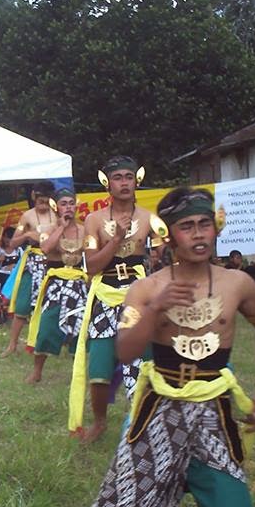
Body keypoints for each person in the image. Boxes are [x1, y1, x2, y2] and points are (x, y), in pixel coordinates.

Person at [30, 186, 255, 507]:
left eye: (205, 224)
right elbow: (125, 350)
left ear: (215, 229)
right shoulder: (147, 288)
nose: (198, 234)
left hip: (214, 413)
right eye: (188, 227)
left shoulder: (238, 284)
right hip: (158, 410)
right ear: (170, 236)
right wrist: (155, 310)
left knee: (231, 506)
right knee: (119, 504)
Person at [69, 156, 161, 443]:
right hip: (104, 296)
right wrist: (117, 239)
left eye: (129, 177)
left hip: (138, 296)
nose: (124, 182)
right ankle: (99, 422)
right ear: (107, 183)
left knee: (146, 363)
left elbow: (160, 257)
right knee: (99, 367)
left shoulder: (149, 218)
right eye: (118, 177)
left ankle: (146, 420)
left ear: (137, 181)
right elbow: (92, 265)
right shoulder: (94, 220)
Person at [25, 188, 86, 384]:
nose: (68, 207)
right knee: (48, 326)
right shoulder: (50, 229)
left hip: (78, 284)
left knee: (80, 328)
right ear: (57, 207)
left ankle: (79, 371)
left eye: (71, 203)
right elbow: (45, 248)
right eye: (64, 204)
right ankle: (37, 371)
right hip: (56, 284)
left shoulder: (85, 230)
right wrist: (61, 227)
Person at [2, 181, 57, 356]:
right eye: (40, 200)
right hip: (32, 263)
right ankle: (12, 344)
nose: (43, 204)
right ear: (34, 197)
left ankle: (51, 344)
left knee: (52, 305)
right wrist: (27, 234)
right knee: (22, 306)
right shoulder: (26, 217)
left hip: (53, 262)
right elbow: (12, 242)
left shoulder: (58, 215)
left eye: (46, 200)